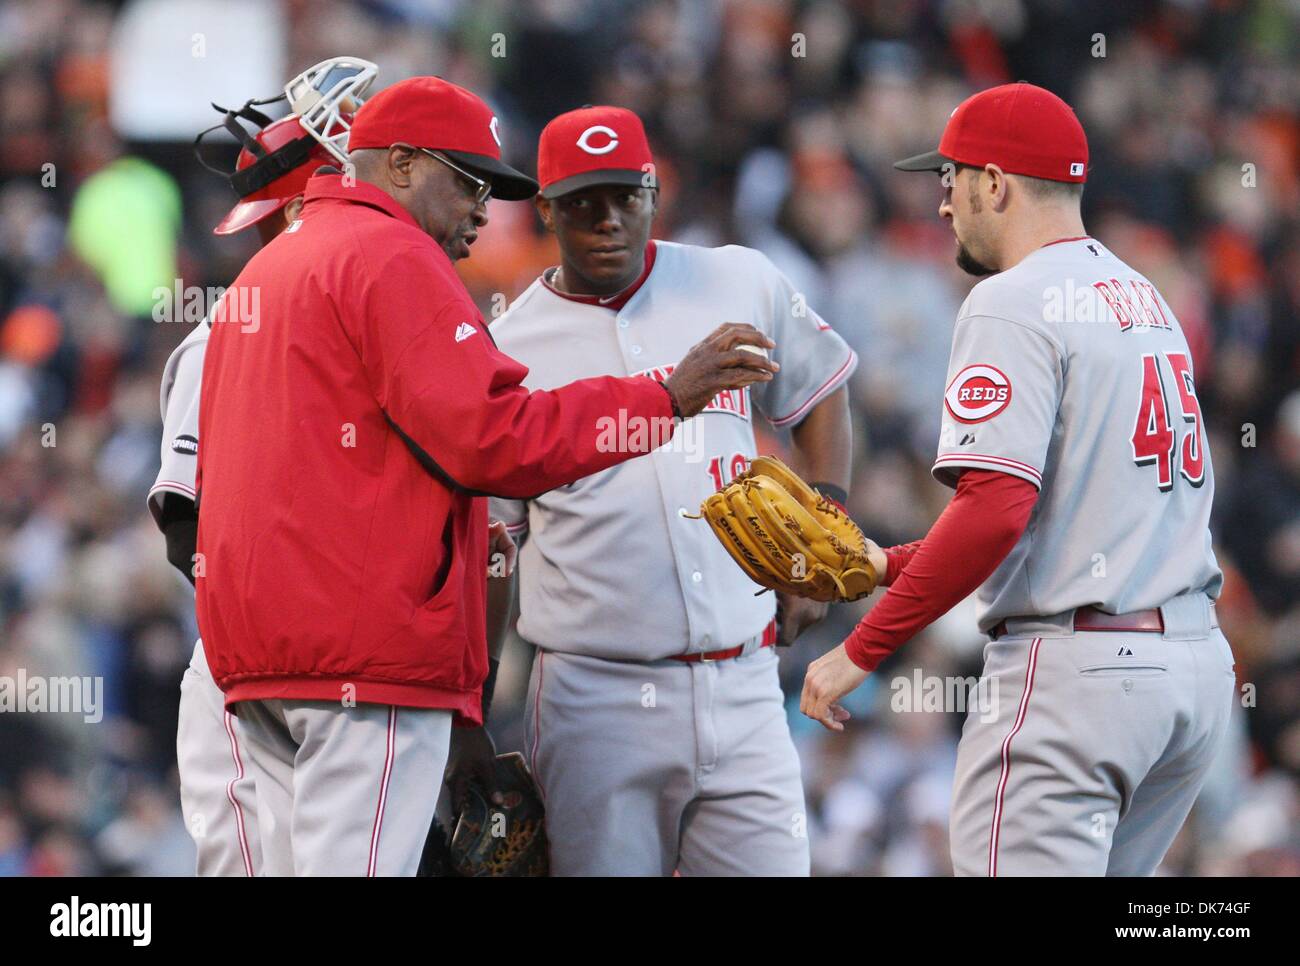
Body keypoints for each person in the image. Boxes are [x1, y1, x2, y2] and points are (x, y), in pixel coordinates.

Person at [194, 77, 777, 877]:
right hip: (361, 662)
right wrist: (665, 398)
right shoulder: (390, 253)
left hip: (256, 660)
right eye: (468, 181)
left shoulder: (270, 269)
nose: (484, 209)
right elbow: (495, 441)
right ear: (398, 164)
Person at [800, 82, 1235, 877]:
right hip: (1191, 672)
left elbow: (997, 509)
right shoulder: (1145, 297)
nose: (943, 205)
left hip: (1078, 679)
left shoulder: (1011, 300)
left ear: (994, 183)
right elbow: (1066, 512)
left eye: (951, 178)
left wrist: (860, 651)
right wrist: (889, 564)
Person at [486, 106, 857, 875]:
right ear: (546, 208)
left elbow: (822, 392)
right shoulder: (507, 348)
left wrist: (823, 530)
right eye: (584, 200)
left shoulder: (738, 277)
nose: (609, 219)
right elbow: (490, 545)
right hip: (595, 694)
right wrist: (476, 713)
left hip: (746, 678)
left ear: (655, 189)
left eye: (626, 195)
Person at [148, 99, 343, 876]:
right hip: (247, 671)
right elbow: (184, 528)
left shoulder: (367, 322)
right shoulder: (224, 330)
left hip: (335, 674)